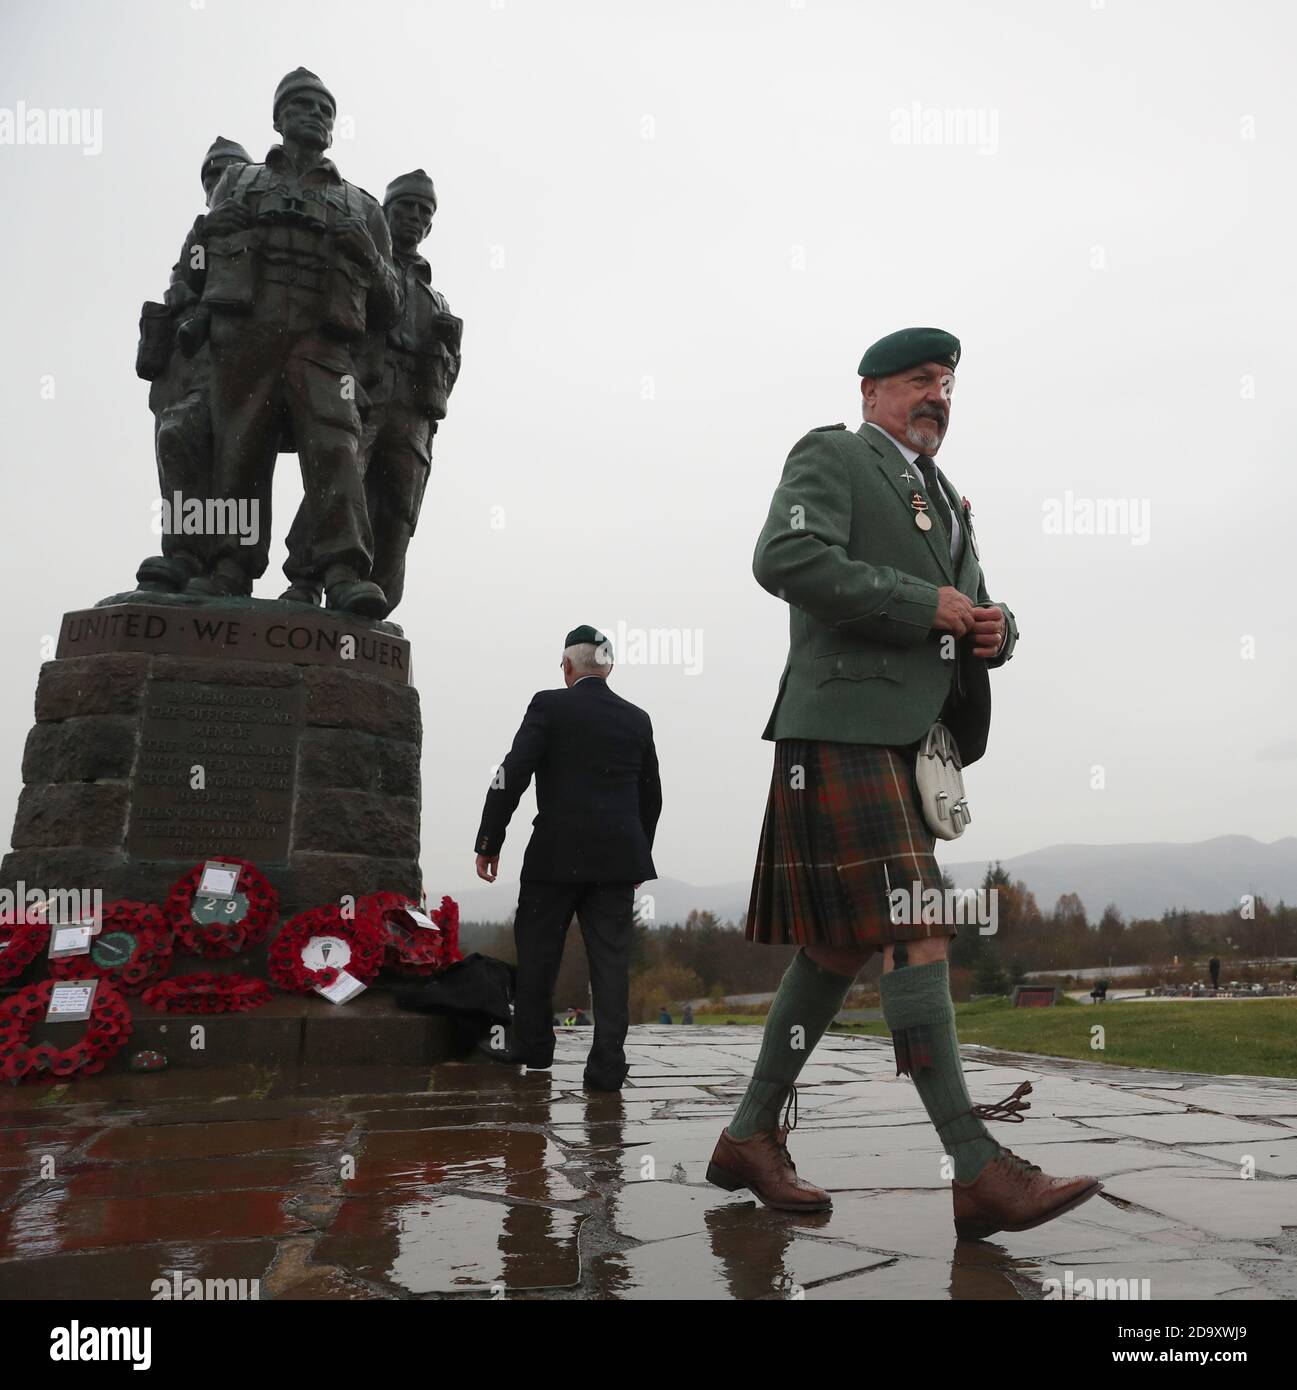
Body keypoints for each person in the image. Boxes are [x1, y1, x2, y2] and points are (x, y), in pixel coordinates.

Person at [706, 327, 1103, 1242]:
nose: (938, 395)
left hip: (907, 744)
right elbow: (785, 560)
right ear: (870, 389)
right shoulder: (834, 455)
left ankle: (747, 1137)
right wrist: (921, 602)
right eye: (921, 379)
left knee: (837, 951)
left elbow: (971, 603)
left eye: (949, 383)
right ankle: (977, 1169)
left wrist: (998, 629)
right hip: (841, 728)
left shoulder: (947, 497)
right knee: (918, 932)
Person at [176, 67, 402, 614]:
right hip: (248, 334)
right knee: (240, 449)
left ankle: (343, 571)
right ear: (278, 118)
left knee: (336, 447)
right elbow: (194, 272)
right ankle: (228, 564)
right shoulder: (240, 182)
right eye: (302, 106)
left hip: (324, 344)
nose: (315, 116)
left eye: (325, 109)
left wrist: (369, 259)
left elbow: (390, 306)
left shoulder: (363, 206)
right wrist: (211, 233)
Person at [473, 626, 662, 1091]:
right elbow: (651, 797)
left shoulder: (549, 705)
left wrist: (489, 839)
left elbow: (510, 774)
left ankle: (534, 1049)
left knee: (538, 953)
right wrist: (639, 855)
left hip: (554, 856)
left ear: (568, 667)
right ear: (609, 666)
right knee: (611, 963)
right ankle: (607, 1069)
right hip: (618, 859)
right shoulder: (637, 719)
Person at [281, 168, 462, 614]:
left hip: (413, 412)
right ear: (386, 211)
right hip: (364, 390)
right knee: (340, 477)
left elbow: (450, 376)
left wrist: (449, 345)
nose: (415, 218)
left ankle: (374, 597)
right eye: (406, 207)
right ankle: (305, 579)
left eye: (425, 212)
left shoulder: (438, 299)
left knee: (398, 510)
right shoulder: (362, 261)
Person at [135, 137, 251, 593]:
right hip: (191, 362)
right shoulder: (202, 231)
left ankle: (229, 563)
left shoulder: (265, 224)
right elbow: (186, 279)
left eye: (229, 172)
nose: (219, 181)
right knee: (179, 439)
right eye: (212, 175)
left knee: (234, 459)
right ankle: (185, 553)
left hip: (247, 357)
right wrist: (206, 233)